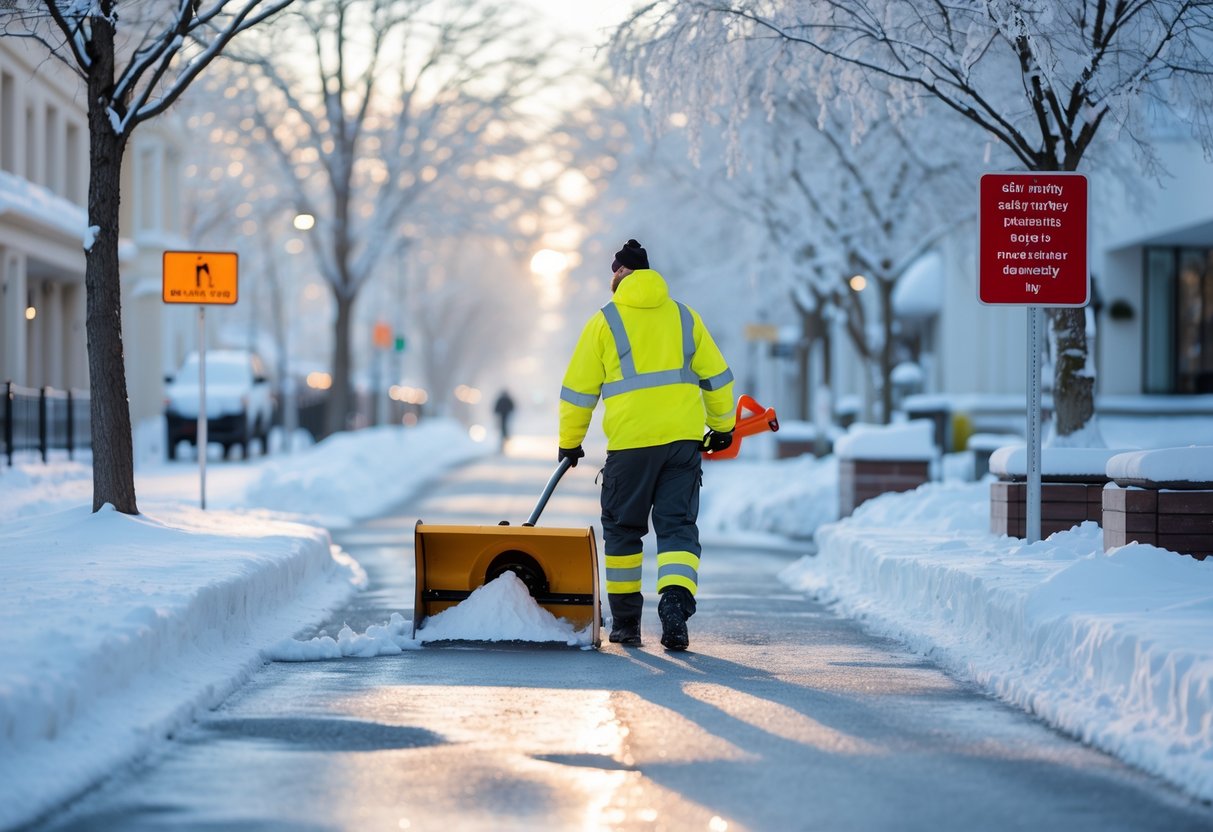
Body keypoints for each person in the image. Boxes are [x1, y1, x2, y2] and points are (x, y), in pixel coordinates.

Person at [558, 239, 735, 650]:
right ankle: (675, 600)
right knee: (677, 528)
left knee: (622, 531)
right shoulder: (684, 317)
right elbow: (718, 377)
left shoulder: (605, 321)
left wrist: (570, 444)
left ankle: (625, 625)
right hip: (682, 445)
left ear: (621, 273)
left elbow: (578, 392)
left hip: (631, 446)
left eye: (613, 272)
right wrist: (722, 425)